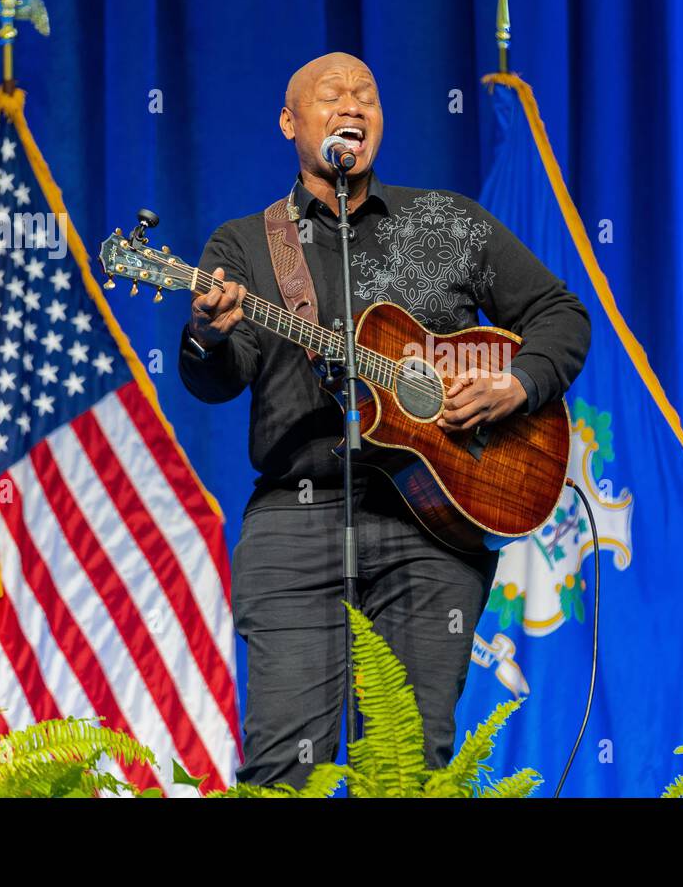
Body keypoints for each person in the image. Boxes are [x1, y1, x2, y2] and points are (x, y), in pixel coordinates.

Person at [179, 51, 590, 787]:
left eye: (366, 94)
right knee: (283, 768)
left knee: (408, 765)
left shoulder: (447, 221)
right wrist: (206, 335)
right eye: (330, 95)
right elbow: (217, 379)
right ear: (289, 123)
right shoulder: (243, 245)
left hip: (434, 528)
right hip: (293, 524)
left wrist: (517, 385)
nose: (351, 105)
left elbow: (560, 315)